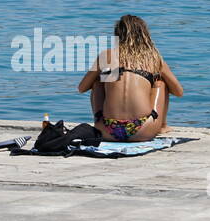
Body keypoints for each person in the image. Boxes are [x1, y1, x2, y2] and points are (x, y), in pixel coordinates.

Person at [78, 14, 183, 142]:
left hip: (106, 130)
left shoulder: (107, 55)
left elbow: (82, 88)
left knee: (97, 82)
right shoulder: (153, 58)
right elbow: (179, 92)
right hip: (144, 130)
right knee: (160, 83)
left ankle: (103, 119)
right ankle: (162, 126)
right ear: (144, 34)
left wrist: (107, 75)